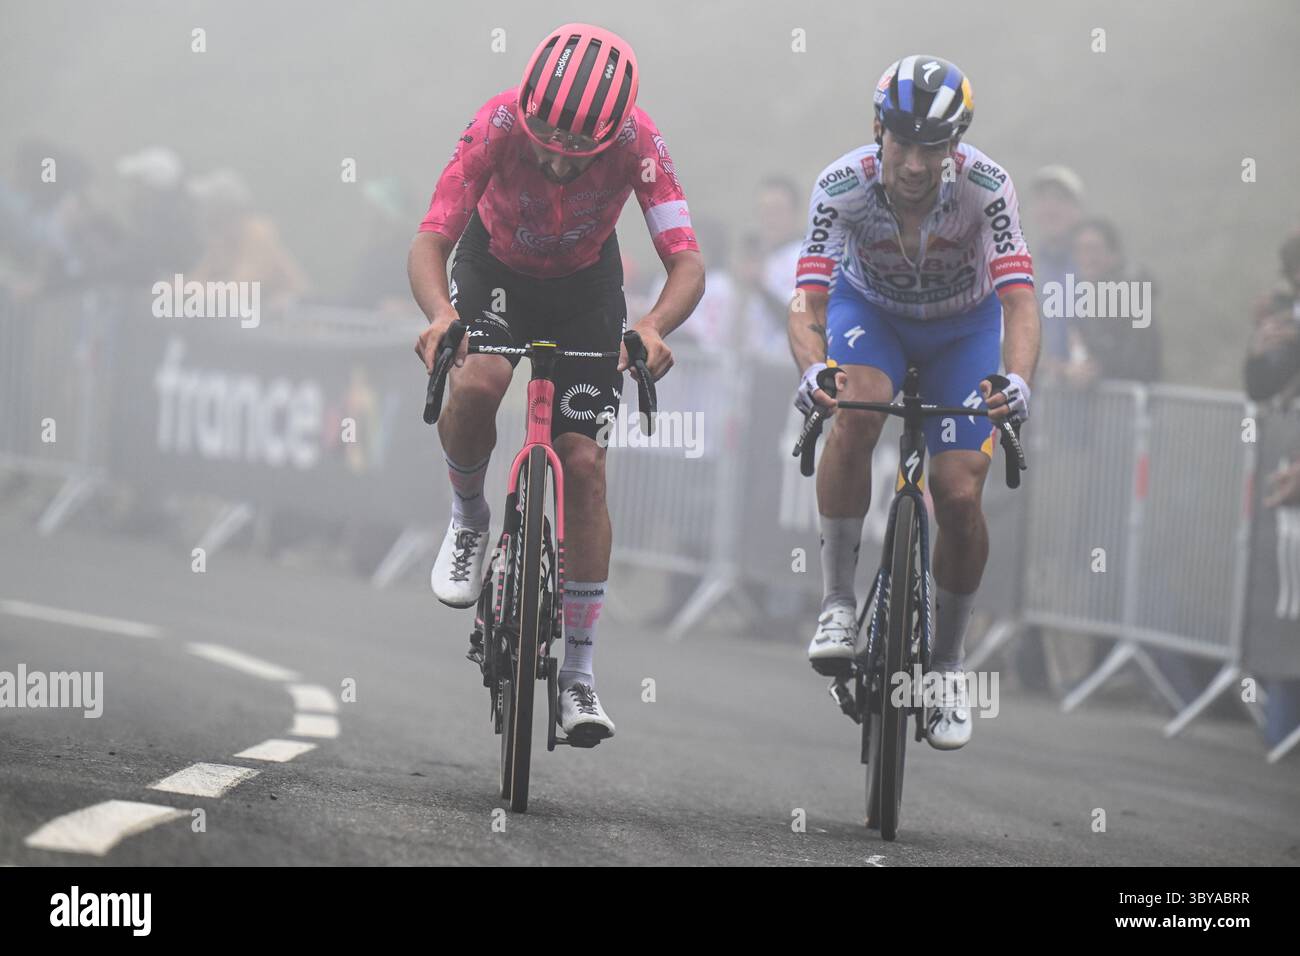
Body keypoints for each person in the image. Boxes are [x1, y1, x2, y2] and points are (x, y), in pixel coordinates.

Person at [409, 23, 704, 744]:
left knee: (584, 465)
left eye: (579, 152)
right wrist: (442, 314)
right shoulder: (500, 121)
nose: (554, 159)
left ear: (610, 135)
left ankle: (578, 672)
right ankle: (470, 517)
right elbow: (432, 238)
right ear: (530, 112)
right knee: (477, 382)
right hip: (495, 269)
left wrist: (656, 327)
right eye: (547, 141)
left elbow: (687, 263)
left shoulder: (639, 143)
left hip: (584, 289)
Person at [786, 56, 1040, 750]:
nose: (917, 163)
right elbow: (806, 297)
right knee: (857, 408)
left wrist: (1016, 381)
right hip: (873, 314)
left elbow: (1019, 301)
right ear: (878, 132)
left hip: (966, 328)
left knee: (958, 494)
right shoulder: (841, 186)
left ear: (955, 147)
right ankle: (839, 603)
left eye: (934, 147)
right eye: (903, 142)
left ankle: (950, 665)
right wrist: (814, 371)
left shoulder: (988, 189)